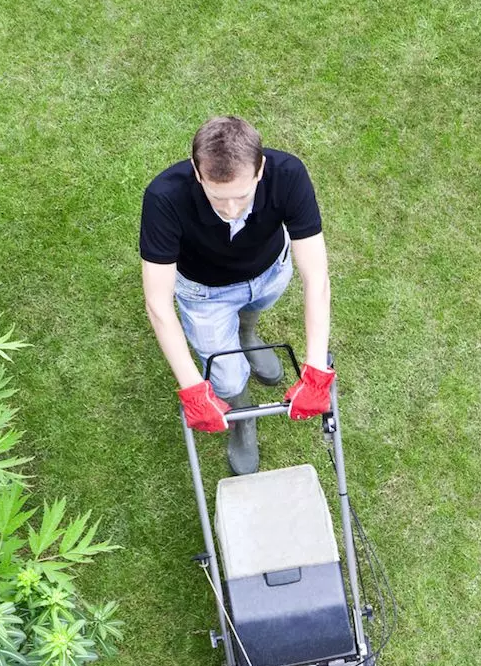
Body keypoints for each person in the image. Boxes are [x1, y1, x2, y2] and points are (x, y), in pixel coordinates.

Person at [138, 116, 335, 475]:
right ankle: (244, 421)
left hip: (269, 272)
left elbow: (316, 276)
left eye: (242, 196)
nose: (231, 209)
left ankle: (246, 334)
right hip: (204, 293)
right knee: (226, 379)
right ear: (198, 174)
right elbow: (157, 303)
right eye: (218, 197)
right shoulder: (163, 197)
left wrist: (317, 370)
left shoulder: (289, 175)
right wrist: (193, 389)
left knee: (256, 308)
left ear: (260, 170)